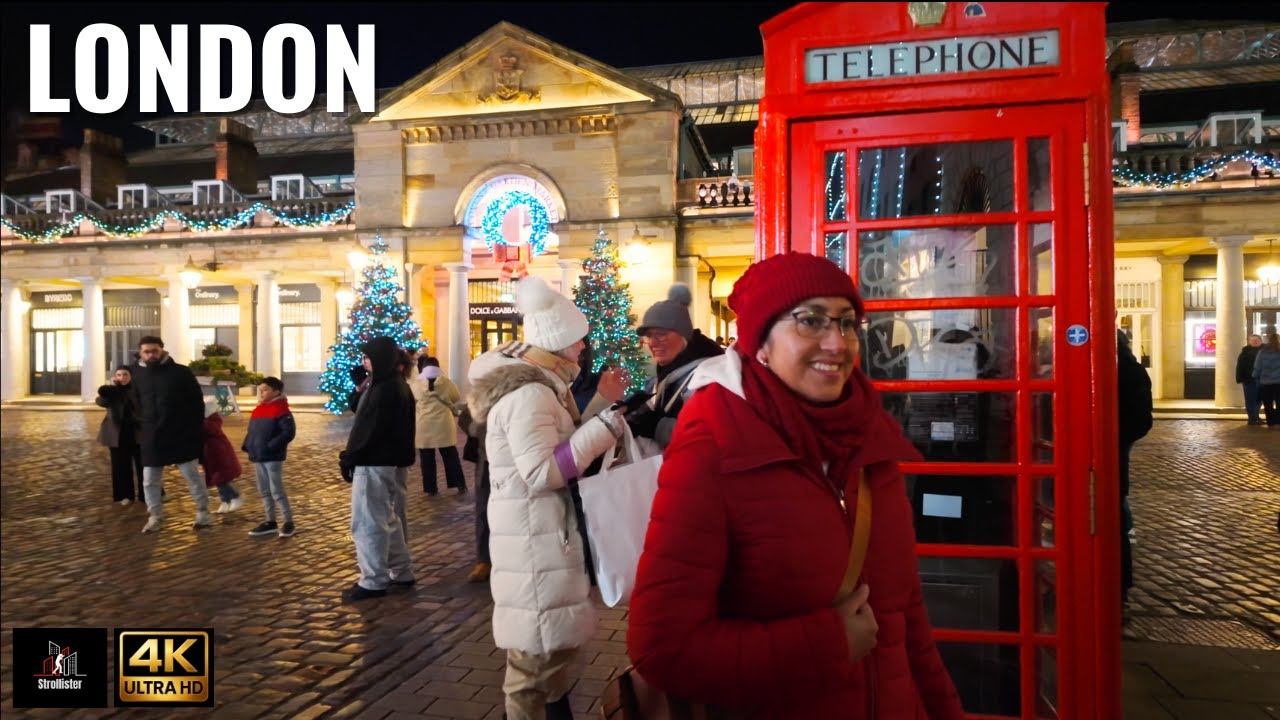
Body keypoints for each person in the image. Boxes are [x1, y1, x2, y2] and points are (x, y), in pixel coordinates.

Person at [627, 252, 965, 719]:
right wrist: (827, 643)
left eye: (847, 323)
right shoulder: (714, 444)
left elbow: (906, 619)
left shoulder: (871, 440)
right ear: (760, 343)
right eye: (810, 320)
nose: (837, 342)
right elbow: (662, 649)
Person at [466, 275, 627, 720]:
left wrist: (601, 405)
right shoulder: (531, 394)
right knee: (531, 667)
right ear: (559, 344)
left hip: (542, 536)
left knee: (550, 657)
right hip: (534, 545)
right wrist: (607, 427)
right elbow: (543, 472)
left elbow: (563, 444)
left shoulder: (544, 386)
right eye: (578, 341)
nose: (583, 348)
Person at [339, 336, 417, 601]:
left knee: (368, 522)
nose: (365, 362)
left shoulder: (385, 389)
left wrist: (351, 457)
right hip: (388, 460)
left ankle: (373, 580)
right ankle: (402, 570)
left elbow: (370, 429)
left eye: (369, 357)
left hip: (375, 461)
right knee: (388, 519)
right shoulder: (391, 384)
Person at [627, 283, 724, 450]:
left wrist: (655, 426)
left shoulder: (706, 378)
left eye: (661, 335)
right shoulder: (671, 370)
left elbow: (706, 436)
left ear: (684, 335)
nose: (653, 343)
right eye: (649, 336)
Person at [132, 335, 213, 534]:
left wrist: (194, 431)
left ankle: (203, 512)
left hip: (180, 434)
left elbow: (196, 404)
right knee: (149, 480)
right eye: (147, 352)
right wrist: (143, 426)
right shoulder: (135, 373)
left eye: (155, 351)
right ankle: (155, 517)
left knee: (192, 477)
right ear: (140, 353)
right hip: (152, 435)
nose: (151, 355)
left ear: (162, 350)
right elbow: (133, 402)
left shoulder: (181, 372)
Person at [1117, 329, 1153, 622]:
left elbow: (1141, 420)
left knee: (1116, 518)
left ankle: (1118, 588)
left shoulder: (1129, 371)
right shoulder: (1133, 370)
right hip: (1109, 457)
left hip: (1111, 458)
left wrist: (1116, 441)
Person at [243, 376, 298, 538]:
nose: (261, 393)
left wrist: (270, 446)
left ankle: (288, 522)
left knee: (276, 490)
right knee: (264, 490)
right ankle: (270, 521)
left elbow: (288, 432)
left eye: (265, 390)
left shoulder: (281, 410)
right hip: (258, 455)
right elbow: (252, 431)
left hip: (272, 456)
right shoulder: (259, 409)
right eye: (260, 390)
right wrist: (248, 444)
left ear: (276, 392)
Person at [411, 356, 467, 495]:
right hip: (444, 424)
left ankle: (431, 488)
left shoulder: (416, 384)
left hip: (423, 425)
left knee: (427, 458)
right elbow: (456, 397)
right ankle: (458, 483)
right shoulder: (446, 382)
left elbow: (412, 400)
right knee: (450, 455)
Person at [96, 366, 144, 506]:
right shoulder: (112, 391)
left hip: (137, 433)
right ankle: (125, 495)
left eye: (125, 374)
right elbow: (101, 402)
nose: (122, 377)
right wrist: (112, 389)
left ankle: (146, 494)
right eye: (119, 375)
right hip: (117, 434)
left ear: (131, 376)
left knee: (143, 466)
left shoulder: (137, 390)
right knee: (120, 466)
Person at [201, 398, 244, 514]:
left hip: (219, 455)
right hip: (210, 456)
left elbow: (210, 430)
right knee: (218, 480)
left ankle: (235, 496)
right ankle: (226, 501)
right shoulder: (208, 421)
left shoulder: (212, 421)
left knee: (221, 479)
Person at [1254, 331, 1280, 427]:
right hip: (1279, 382)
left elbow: (1257, 366)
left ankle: (1270, 421)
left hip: (1265, 382)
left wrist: (1255, 376)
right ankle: (1278, 420)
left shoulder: (1262, 352)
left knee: (1267, 403)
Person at [1236, 334, 1264, 425]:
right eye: (1252, 340)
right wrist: (1240, 378)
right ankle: (1252, 418)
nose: (1254, 342)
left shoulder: (1265, 351)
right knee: (1250, 400)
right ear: (1249, 342)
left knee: (1259, 399)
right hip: (1249, 380)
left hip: (1263, 379)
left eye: (1256, 340)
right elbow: (1240, 367)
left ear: (1261, 341)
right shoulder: (1245, 353)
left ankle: (1256, 416)